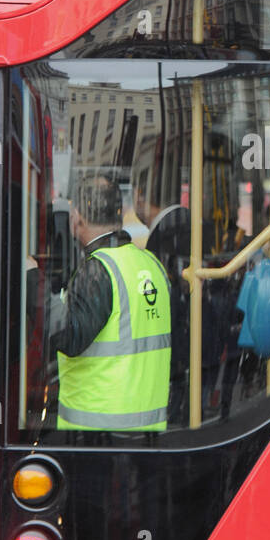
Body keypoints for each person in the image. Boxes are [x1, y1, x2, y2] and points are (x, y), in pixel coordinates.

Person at [51, 175, 172, 436]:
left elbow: (69, 337)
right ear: (119, 215)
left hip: (97, 434)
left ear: (78, 216)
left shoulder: (97, 271)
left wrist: (31, 280)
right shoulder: (152, 265)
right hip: (149, 431)